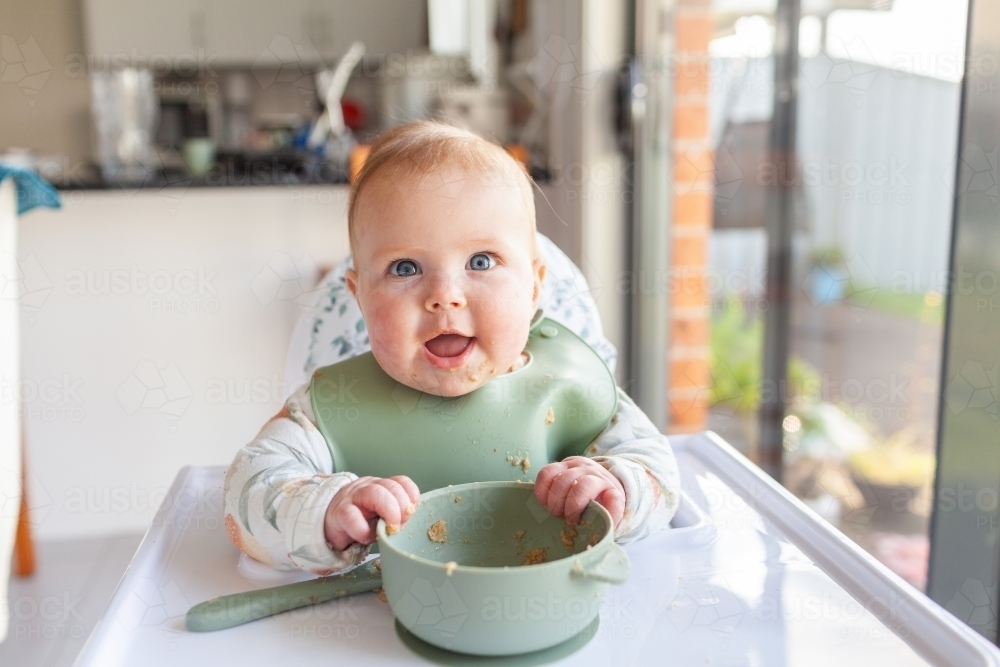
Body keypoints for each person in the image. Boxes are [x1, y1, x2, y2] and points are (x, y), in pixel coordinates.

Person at [224, 122, 680, 576]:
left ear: (535, 286)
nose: (444, 295)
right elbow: (246, 492)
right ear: (359, 296)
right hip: (375, 632)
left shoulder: (571, 388)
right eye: (405, 268)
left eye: (480, 262)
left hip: (548, 606)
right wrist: (325, 509)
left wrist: (615, 487)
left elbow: (659, 474)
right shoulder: (331, 409)